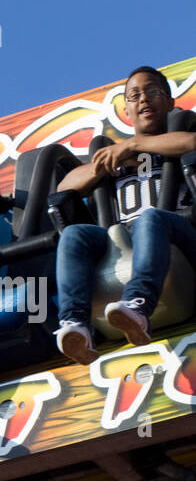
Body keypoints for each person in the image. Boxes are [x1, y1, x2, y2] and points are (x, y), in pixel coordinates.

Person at [52, 65, 196, 365]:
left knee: (150, 218)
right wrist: (102, 164)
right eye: (134, 96)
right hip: (123, 242)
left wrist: (135, 143)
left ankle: (138, 305)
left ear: (170, 102)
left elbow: (192, 144)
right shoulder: (113, 155)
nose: (143, 99)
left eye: (153, 92)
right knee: (75, 234)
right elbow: (64, 188)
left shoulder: (180, 135)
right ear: (127, 110)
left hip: (179, 236)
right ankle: (75, 325)